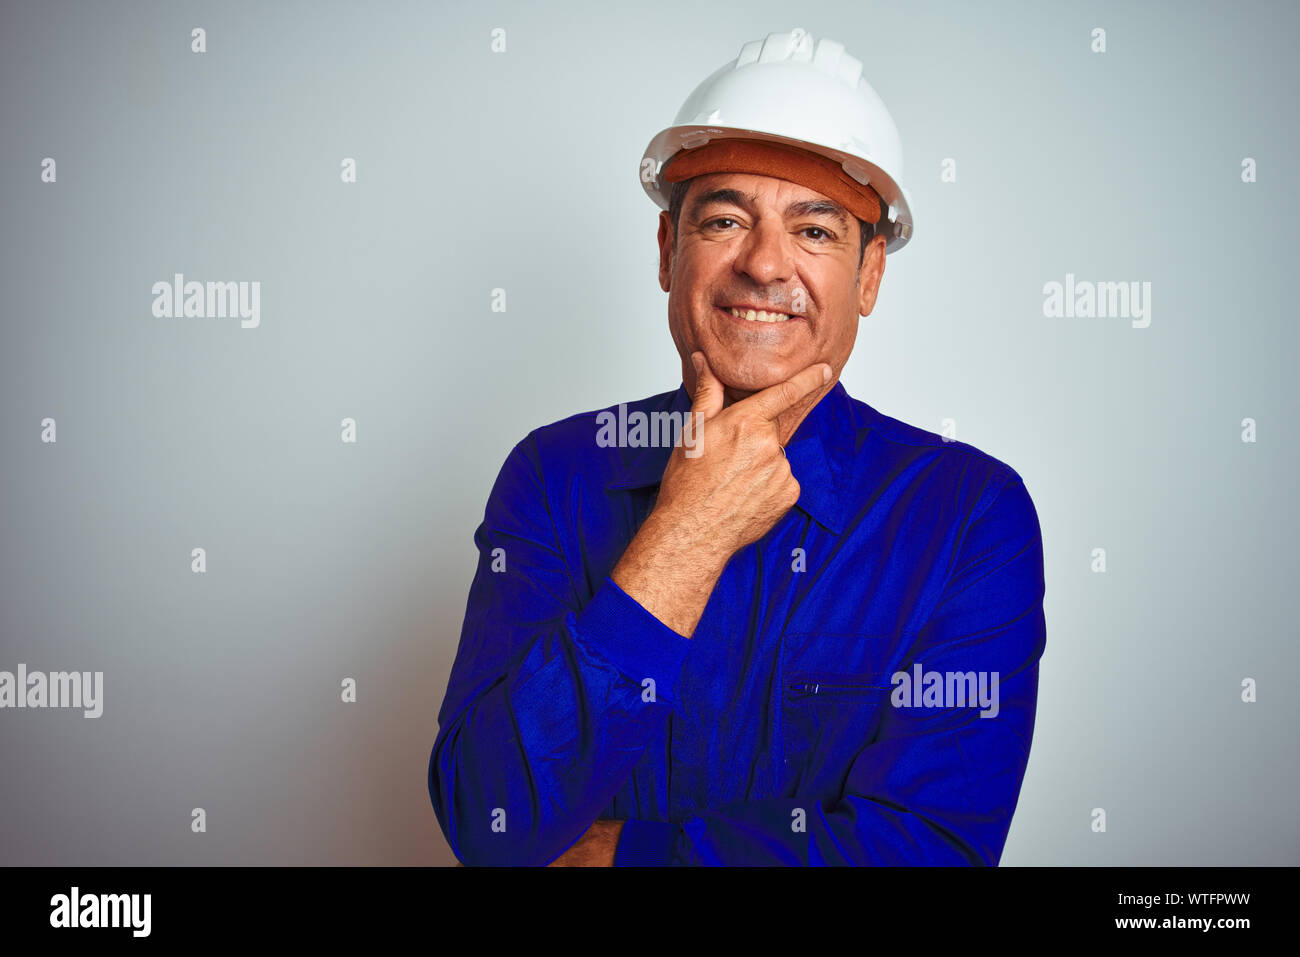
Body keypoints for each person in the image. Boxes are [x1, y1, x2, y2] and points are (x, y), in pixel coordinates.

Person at [429, 27, 1046, 866]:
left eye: (816, 231)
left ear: (869, 276)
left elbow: (928, 849)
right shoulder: (554, 476)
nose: (764, 265)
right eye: (725, 219)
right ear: (667, 251)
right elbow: (490, 818)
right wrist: (688, 534)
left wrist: (620, 857)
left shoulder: (968, 517)